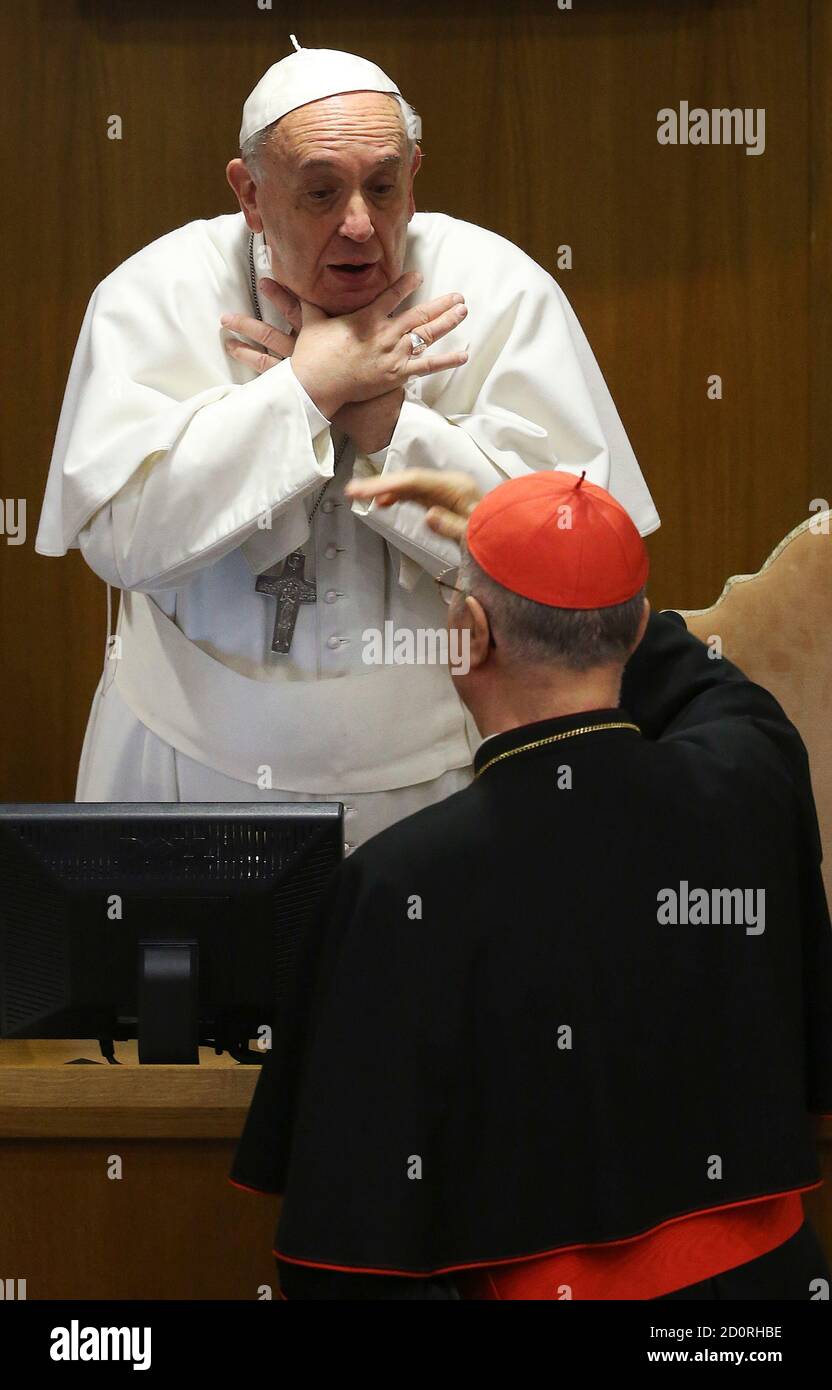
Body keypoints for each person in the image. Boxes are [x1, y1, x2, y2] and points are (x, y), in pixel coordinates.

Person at [34, 37, 659, 850]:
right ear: (250, 195)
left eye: (382, 187)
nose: (359, 225)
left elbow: (574, 561)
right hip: (188, 768)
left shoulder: (503, 290)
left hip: (439, 779)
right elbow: (124, 540)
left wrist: (389, 425)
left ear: (414, 177)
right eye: (321, 192)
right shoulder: (152, 294)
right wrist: (305, 391)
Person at [229, 468, 832, 1299]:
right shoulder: (750, 775)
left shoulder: (395, 884)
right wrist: (563, 561)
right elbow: (710, 685)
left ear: (467, 634)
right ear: (637, 629)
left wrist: (527, 551)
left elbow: (345, 1262)